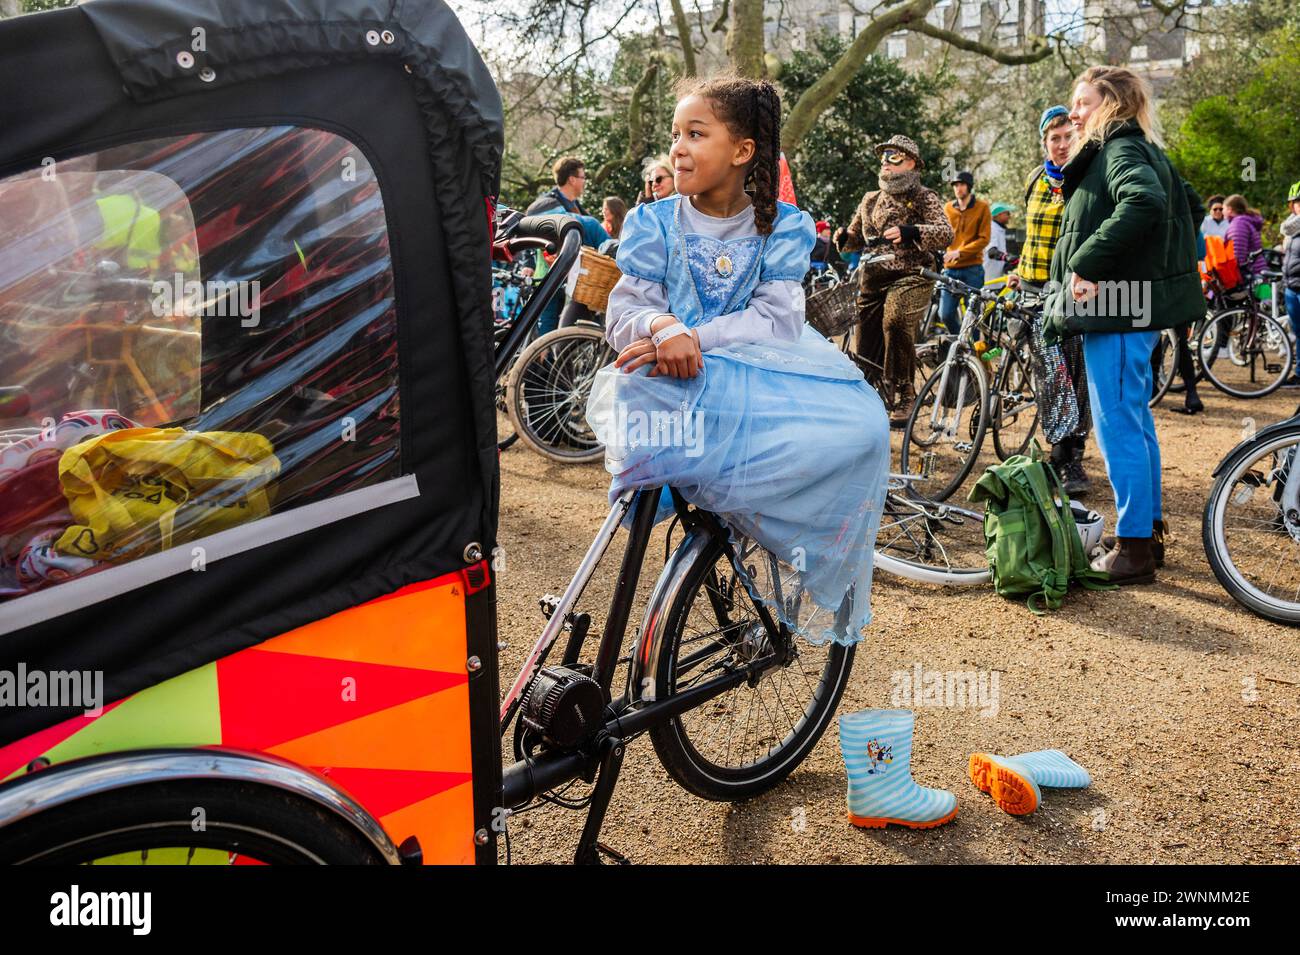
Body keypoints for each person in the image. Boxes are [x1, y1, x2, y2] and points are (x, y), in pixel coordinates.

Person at [586, 74, 891, 648]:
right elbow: (627, 304)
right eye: (675, 133)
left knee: (865, 425)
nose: (677, 147)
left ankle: (769, 541)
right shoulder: (654, 222)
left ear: (743, 151)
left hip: (754, 378)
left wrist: (693, 337)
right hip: (679, 386)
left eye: (696, 133)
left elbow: (777, 320)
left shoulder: (780, 226)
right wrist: (663, 325)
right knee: (636, 393)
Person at [1043, 65, 1204, 585]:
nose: (1075, 112)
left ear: (1111, 104)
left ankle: (1133, 549)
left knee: (1117, 427)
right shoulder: (1143, 149)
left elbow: (1146, 202)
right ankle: (1145, 533)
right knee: (1134, 421)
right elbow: (1188, 208)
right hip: (1132, 305)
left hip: (1114, 308)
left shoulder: (1119, 149)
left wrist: (1089, 264)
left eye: (1083, 102)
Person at [835, 135, 954, 426]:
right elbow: (855, 238)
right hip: (873, 278)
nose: (886, 163)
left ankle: (906, 392)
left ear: (912, 163)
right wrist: (844, 238)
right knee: (863, 345)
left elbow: (945, 232)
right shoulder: (870, 199)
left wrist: (912, 231)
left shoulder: (924, 196)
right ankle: (868, 398)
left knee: (896, 320)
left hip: (913, 274)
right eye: (884, 157)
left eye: (895, 157)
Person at [1008, 105, 1096, 494]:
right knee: (1050, 370)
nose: (1061, 145)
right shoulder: (1034, 180)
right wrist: (1019, 270)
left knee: (1076, 373)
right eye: (1054, 139)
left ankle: (1073, 451)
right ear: (1044, 143)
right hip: (1032, 287)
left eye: (1067, 137)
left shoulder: (1088, 178)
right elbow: (1032, 235)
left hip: (1071, 289)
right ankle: (1062, 455)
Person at [527, 156, 610, 333]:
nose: (585, 182)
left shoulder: (575, 206)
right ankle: (538, 360)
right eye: (583, 177)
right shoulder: (548, 204)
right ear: (572, 179)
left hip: (567, 279)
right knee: (547, 333)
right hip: (549, 278)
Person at [938, 170, 991, 333]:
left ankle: (974, 354)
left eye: (961, 185)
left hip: (972, 269)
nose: (958, 189)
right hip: (950, 270)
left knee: (973, 318)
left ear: (969, 187)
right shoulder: (947, 208)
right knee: (945, 314)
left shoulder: (982, 207)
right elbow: (942, 234)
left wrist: (959, 252)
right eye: (955, 185)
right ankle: (961, 345)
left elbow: (984, 239)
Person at [1280, 181, 1300, 387]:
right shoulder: (1291, 228)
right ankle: (1299, 373)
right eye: (1297, 202)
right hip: (1291, 285)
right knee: (1298, 331)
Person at [1224, 194, 1265, 281]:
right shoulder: (1245, 221)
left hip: (1251, 275)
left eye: (1223, 208)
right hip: (1258, 270)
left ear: (1229, 209)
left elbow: (1238, 254)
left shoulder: (1238, 224)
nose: (1222, 212)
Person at [983, 202, 1014, 281]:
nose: (1009, 216)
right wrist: (1007, 257)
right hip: (989, 276)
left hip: (997, 276)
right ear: (999, 214)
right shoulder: (991, 228)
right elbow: (992, 252)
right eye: (1007, 213)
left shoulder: (999, 229)